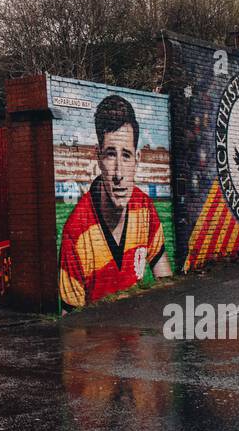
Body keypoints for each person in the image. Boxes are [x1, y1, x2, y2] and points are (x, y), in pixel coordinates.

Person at [59, 95, 172, 309]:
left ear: (137, 158)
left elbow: (165, 281)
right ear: (98, 156)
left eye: (127, 155)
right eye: (111, 154)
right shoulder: (75, 234)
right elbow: (73, 330)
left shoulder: (144, 207)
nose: (119, 173)